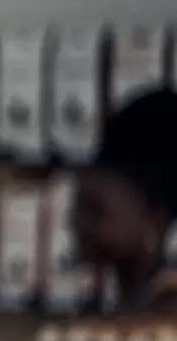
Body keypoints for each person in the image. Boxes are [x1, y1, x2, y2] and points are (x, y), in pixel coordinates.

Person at [75, 88, 177, 317]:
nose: (80, 225)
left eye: (96, 212)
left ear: (155, 219)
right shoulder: (128, 297)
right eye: (77, 208)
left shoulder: (167, 308)